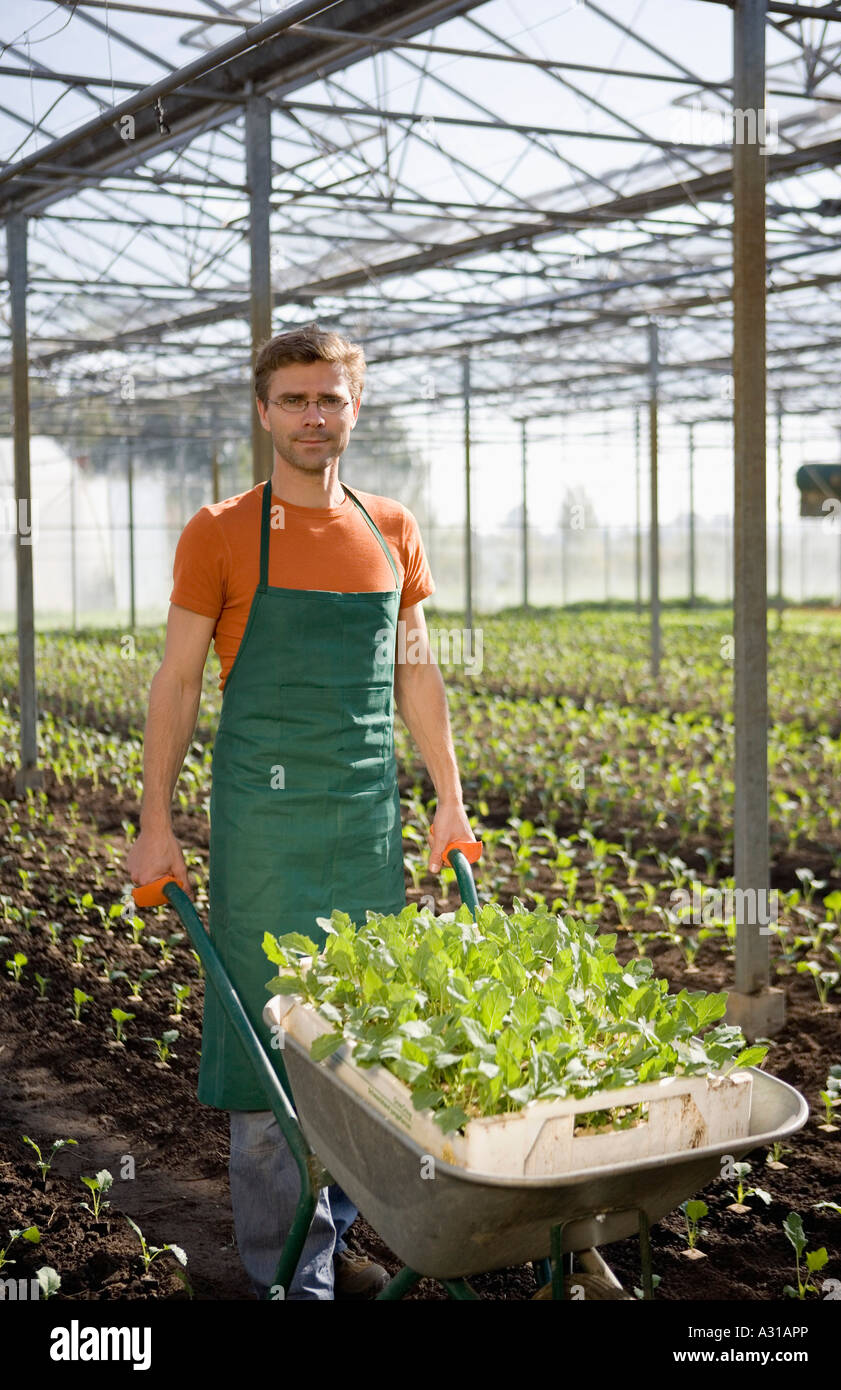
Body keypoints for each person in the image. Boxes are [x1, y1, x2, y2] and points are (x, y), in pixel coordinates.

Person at [127, 323, 476, 1300]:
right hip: (265, 832)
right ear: (264, 411)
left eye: (332, 397)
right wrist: (155, 820)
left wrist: (449, 802)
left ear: (354, 407)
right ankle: (294, 1277)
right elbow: (179, 680)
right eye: (296, 400)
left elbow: (416, 670)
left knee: (363, 1043)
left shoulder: (390, 527)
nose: (315, 416)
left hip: (367, 823)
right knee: (268, 1052)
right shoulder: (222, 529)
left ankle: (340, 1231)